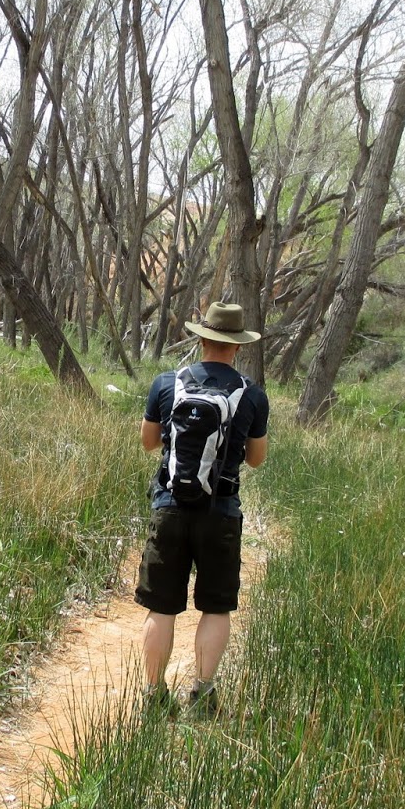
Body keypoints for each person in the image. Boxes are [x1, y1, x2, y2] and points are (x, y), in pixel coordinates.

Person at [137, 301, 269, 716]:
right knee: (215, 606)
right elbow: (256, 459)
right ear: (237, 346)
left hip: (170, 505)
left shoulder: (166, 383)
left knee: (162, 607)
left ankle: (154, 697)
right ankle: (202, 694)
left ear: (202, 338)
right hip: (222, 512)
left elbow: (148, 441)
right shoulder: (252, 395)